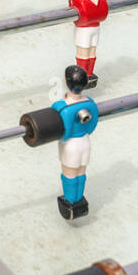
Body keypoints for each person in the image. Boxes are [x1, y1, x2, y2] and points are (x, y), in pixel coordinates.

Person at [53, 65, 98, 221]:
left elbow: (63, 132)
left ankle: (70, 200)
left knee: (69, 174)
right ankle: (79, 198)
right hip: (85, 142)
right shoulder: (90, 103)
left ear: (67, 82)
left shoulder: (61, 107)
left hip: (71, 145)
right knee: (81, 173)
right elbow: (92, 126)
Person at [69, 0, 108, 87]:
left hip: (95, 28)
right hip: (83, 31)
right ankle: (82, 75)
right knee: (83, 52)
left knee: (92, 52)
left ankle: (89, 73)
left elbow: (103, 14)